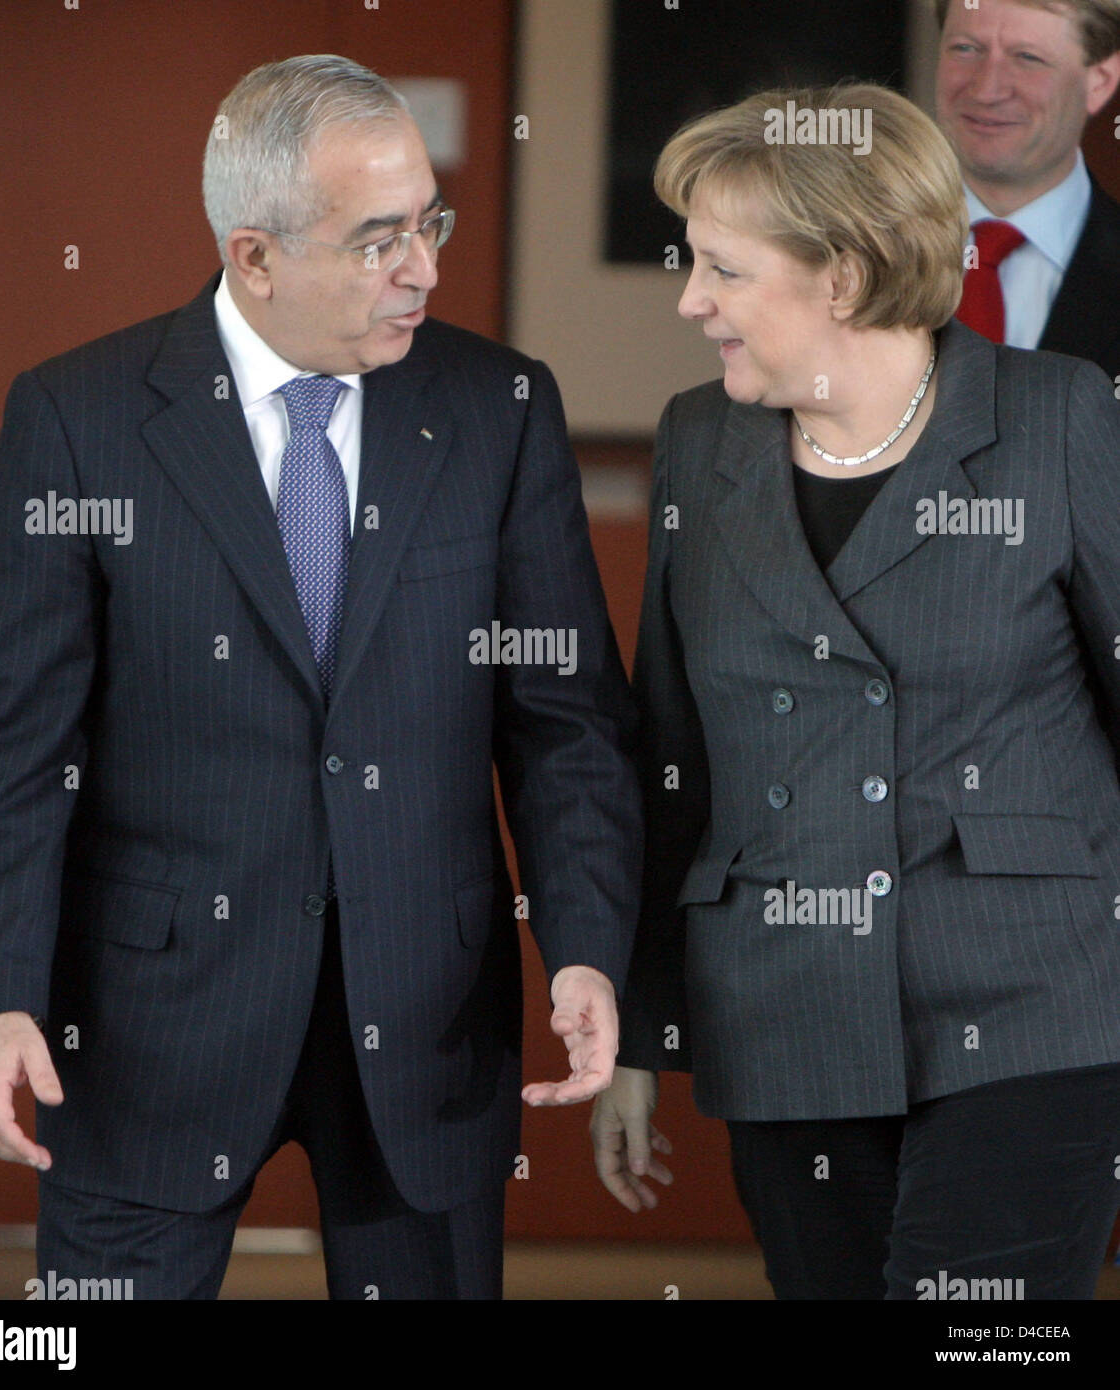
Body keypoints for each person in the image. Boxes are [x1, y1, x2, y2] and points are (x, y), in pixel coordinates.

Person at [0, 54, 642, 1301]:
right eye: (380, 240)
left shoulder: (500, 407)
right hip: (147, 1018)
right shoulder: (78, 416)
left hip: (425, 1017)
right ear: (253, 255)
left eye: (430, 221)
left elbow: (563, 723)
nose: (421, 265)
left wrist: (583, 946)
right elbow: (11, 746)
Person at [592, 81, 1120, 1300]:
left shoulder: (1056, 419)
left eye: (721, 267)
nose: (690, 301)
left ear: (838, 274)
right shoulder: (695, 441)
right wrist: (640, 1023)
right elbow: (672, 752)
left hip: (1033, 1005)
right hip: (785, 1008)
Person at [934, 0, 1120, 378]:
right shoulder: (846, 249)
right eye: (966, 49)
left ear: (1099, 82)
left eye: (1028, 57)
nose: (987, 89)